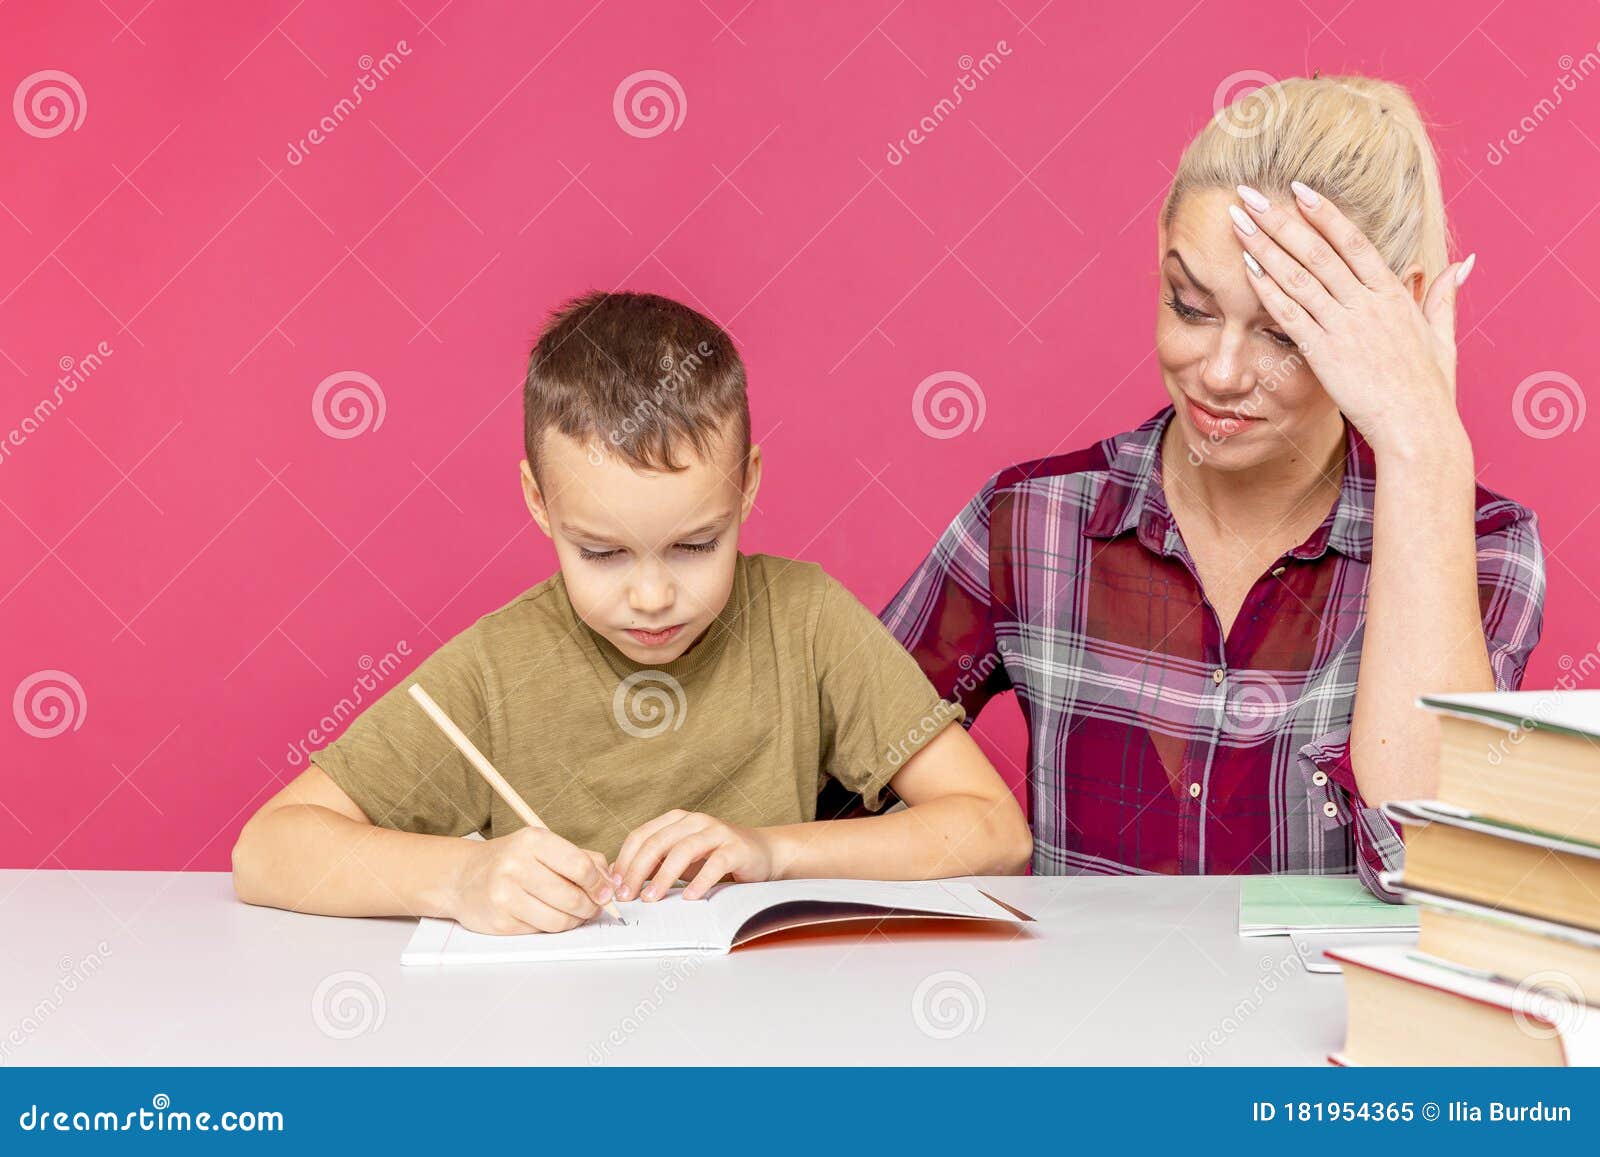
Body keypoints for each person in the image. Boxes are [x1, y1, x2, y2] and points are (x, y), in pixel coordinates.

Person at [882, 75, 1545, 899]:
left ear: (1393, 316)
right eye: (1190, 306)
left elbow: (1434, 871)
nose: (1221, 374)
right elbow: (831, 788)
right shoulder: (1030, 522)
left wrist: (1424, 444)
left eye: (1283, 332)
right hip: (1078, 1026)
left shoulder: (1483, 544)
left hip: (1335, 1029)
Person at [232, 291, 1031, 934]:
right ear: (538, 503)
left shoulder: (806, 620)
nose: (652, 597)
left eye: (694, 545)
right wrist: (461, 877)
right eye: (604, 554)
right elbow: (268, 849)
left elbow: (994, 830)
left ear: (746, 484)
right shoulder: (496, 667)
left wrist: (770, 850)